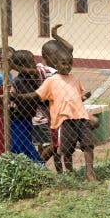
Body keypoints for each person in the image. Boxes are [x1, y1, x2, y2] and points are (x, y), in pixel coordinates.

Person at [13, 43, 96, 181]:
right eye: (63, 63)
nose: (67, 66)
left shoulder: (75, 78)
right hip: (63, 120)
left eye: (70, 63)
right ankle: (69, 173)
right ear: (56, 64)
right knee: (66, 150)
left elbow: (81, 93)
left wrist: (85, 96)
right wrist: (18, 97)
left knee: (88, 146)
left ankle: (90, 174)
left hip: (81, 117)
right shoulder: (51, 81)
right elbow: (36, 95)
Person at [36, 24, 75, 173]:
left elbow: (69, 49)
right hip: (46, 113)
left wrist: (56, 36)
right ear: (45, 57)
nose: (58, 57)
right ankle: (38, 167)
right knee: (50, 145)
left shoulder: (58, 68)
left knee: (58, 144)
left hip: (57, 113)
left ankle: (60, 172)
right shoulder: (43, 70)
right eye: (54, 55)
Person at [8, 50, 44, 163]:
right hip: (17, 118)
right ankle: (39, 165)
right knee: (20, 144)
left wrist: (14, 66)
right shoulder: (17, 82)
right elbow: (12, 97)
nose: (35, 63)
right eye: (31, 61)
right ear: (23, 65)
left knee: (23, 143)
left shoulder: (32, 79)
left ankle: (25, 165)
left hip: (28, 118)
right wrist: (12, 100)